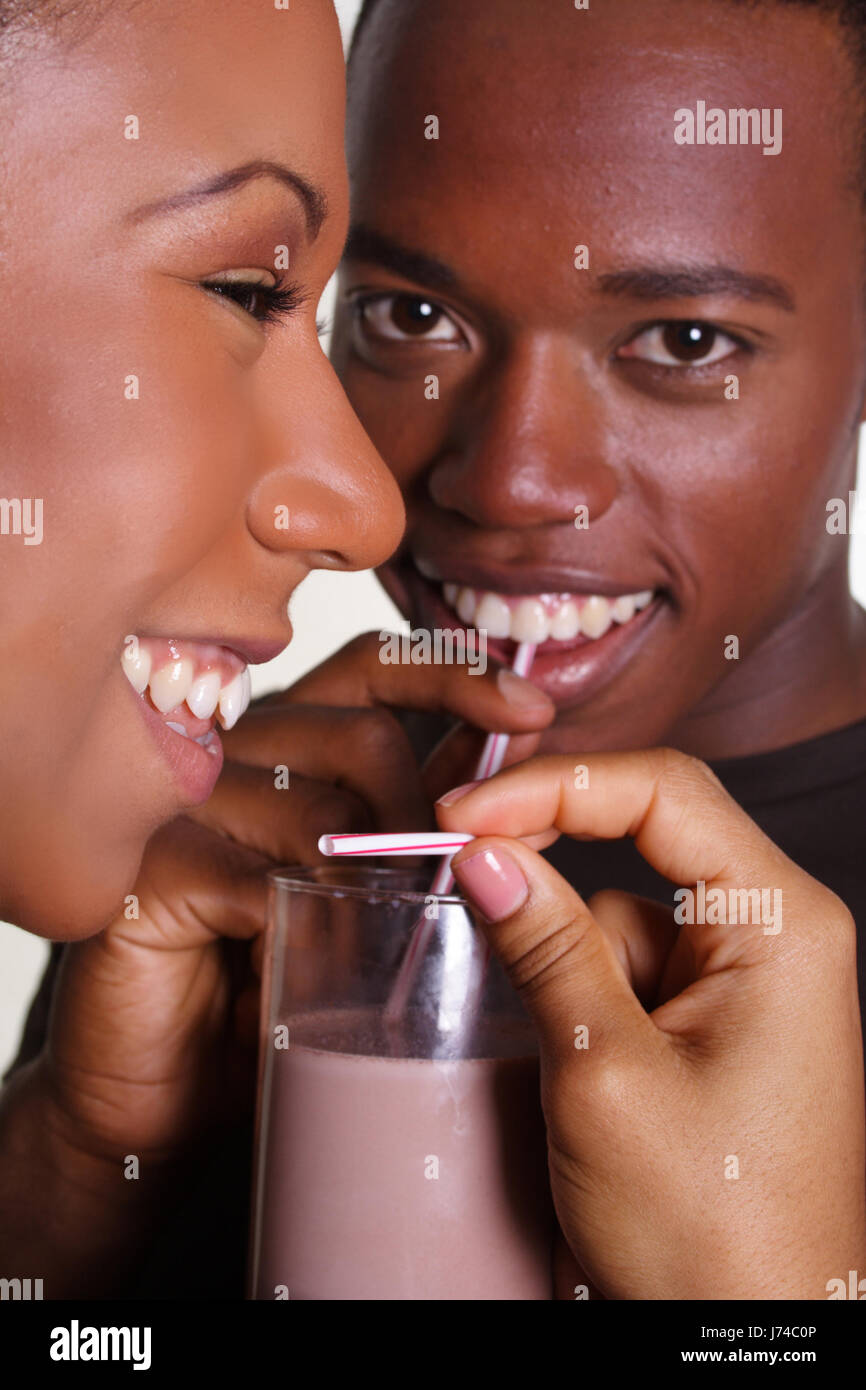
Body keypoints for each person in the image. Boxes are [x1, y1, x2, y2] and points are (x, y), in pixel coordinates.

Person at [4, 0, 865, 1299]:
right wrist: (74, 1172)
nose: (508, 477)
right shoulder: (230, 831)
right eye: (408, 317)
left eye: (683, 341)